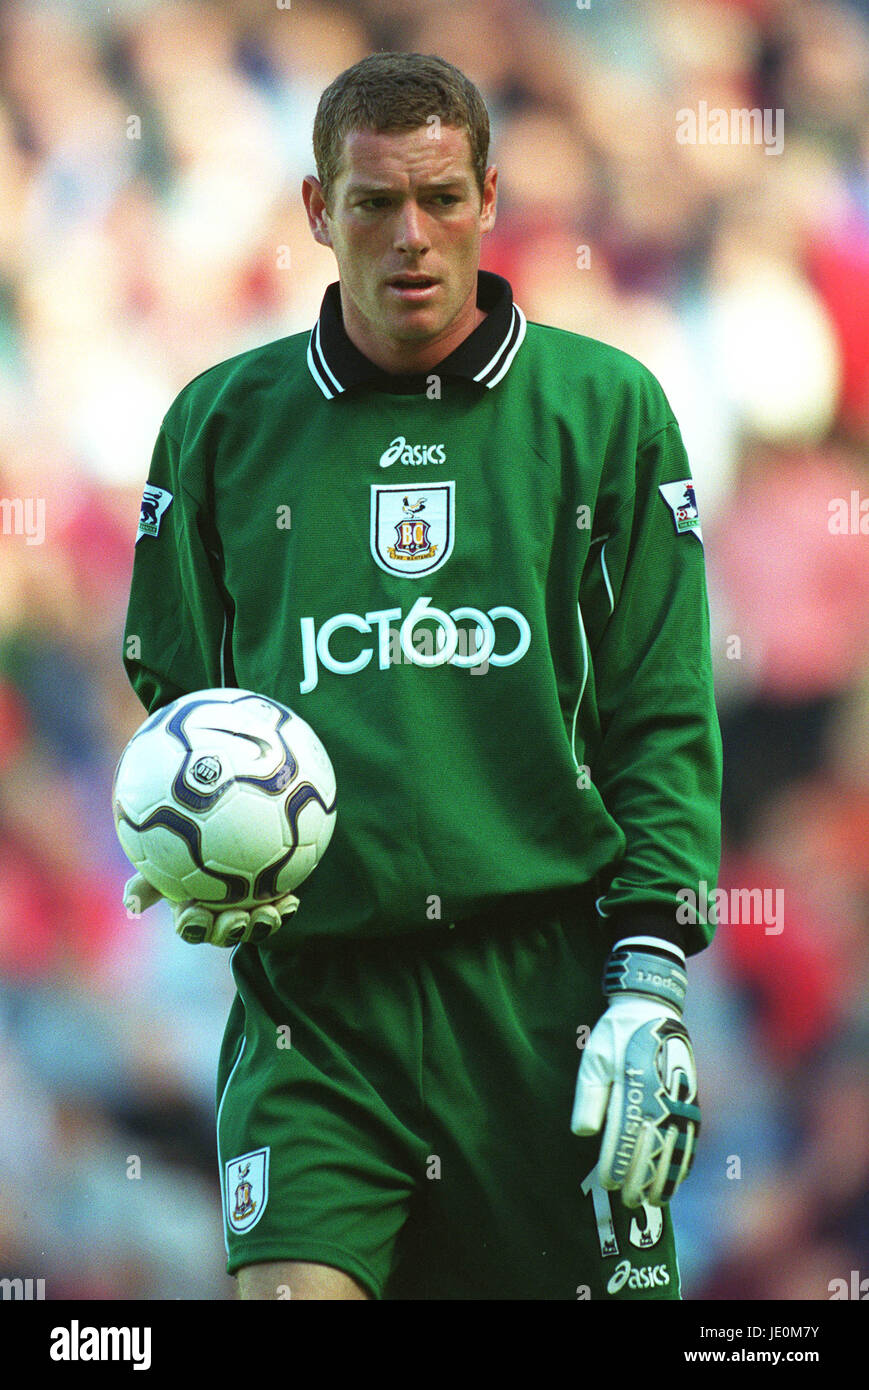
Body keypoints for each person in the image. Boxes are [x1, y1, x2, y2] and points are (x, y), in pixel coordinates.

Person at [122, 51, 721, 1301]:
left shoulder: (606, 411)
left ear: (489, 194)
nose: (411, 237)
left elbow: (660, 710)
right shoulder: (220, 426)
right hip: (319, 1008)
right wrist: (209, 852)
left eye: (441, 198)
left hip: (545, 1002)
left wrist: (652, 973)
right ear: (313, 210)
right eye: (373, 202)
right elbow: (182, 700)